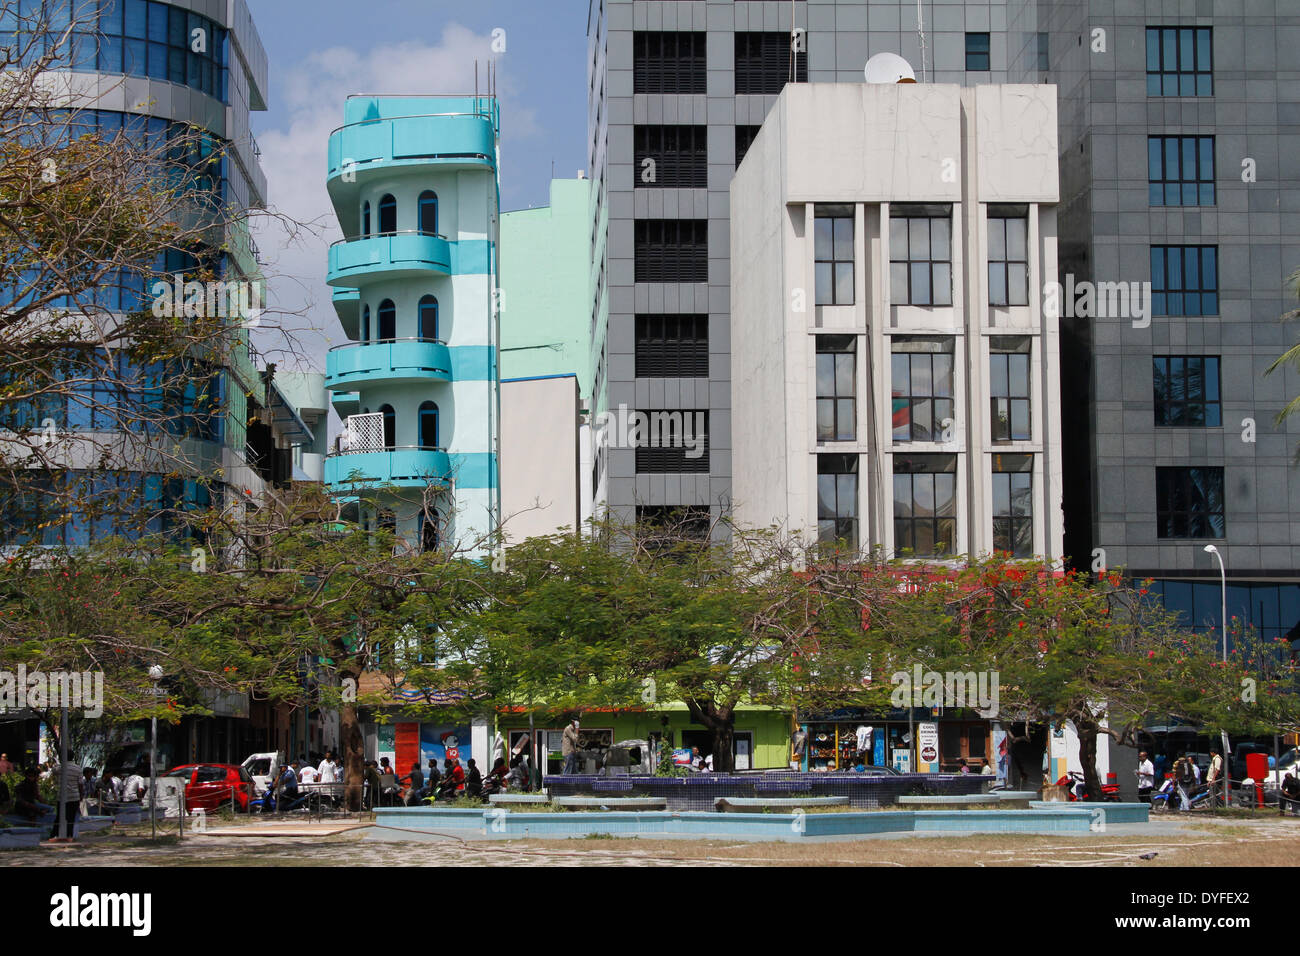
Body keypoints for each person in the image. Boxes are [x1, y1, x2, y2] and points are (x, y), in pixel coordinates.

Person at [52, 757, 83, 839]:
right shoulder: (78, 768)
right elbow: (80, 784)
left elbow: (53, 771)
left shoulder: (60, 767)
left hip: (62, 796)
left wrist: (58, 762)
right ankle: (69, 835)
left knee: (59, 817)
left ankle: (54, 834)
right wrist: (81, 795)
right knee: (71, 818)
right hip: (74, 796)